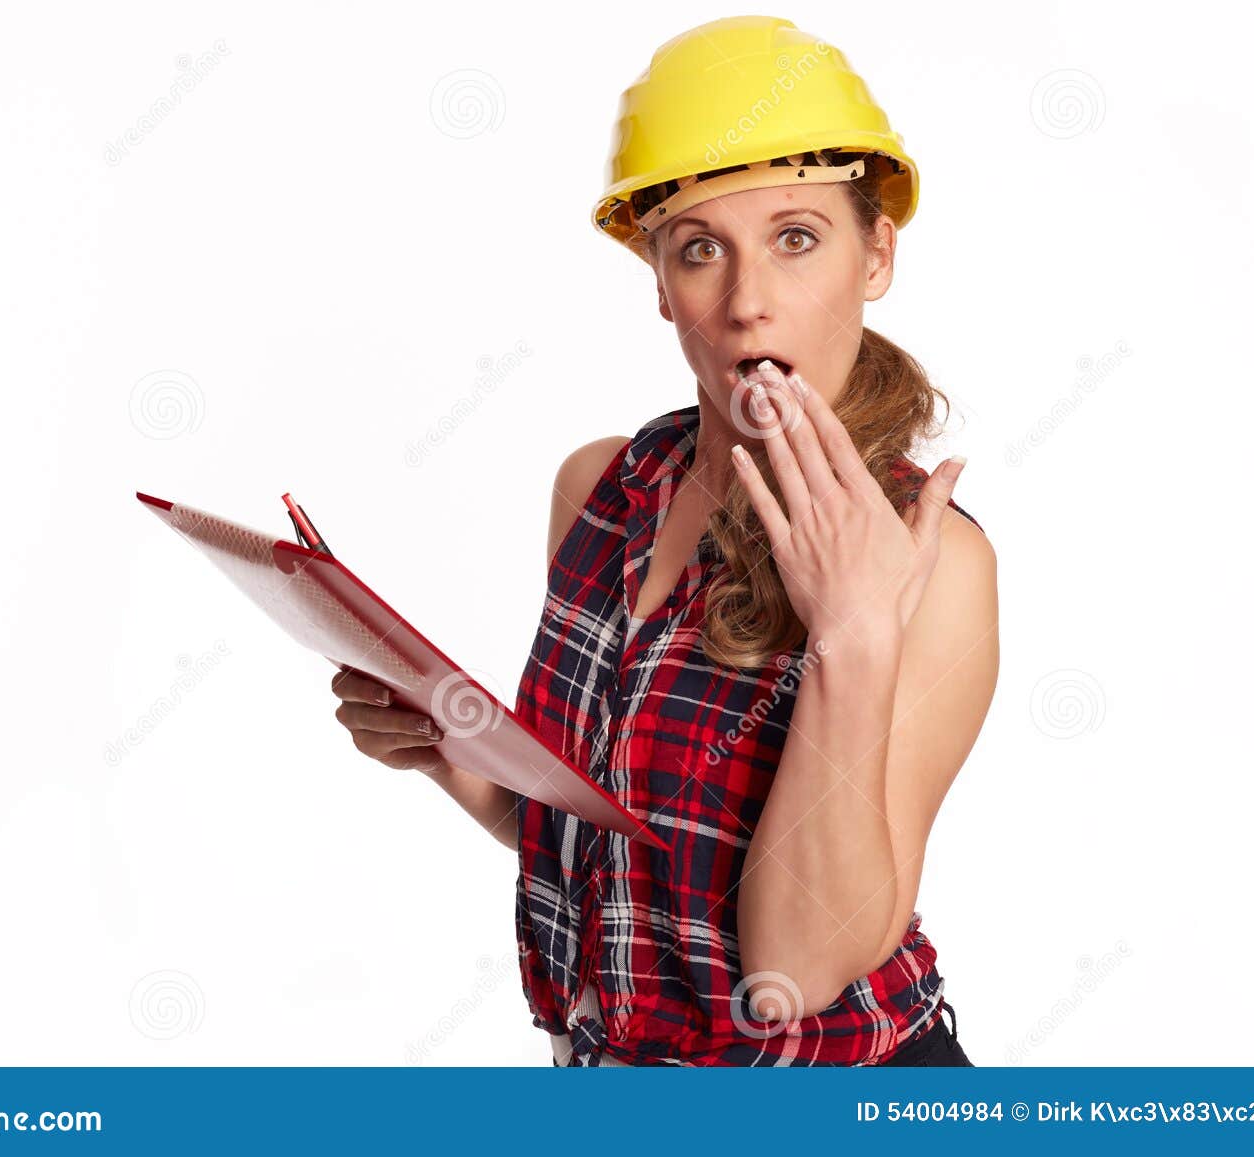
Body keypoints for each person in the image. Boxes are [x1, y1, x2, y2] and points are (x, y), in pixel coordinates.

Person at [330, 14, 998, 1067]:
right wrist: (443, 746)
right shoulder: (602, 489)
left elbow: (796, 964)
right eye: (699, 251)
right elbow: (613, 846)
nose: (746, 305)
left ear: (875, 254)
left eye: (796, 237)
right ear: (656, 282)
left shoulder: (928, 558)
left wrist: (853, 633)